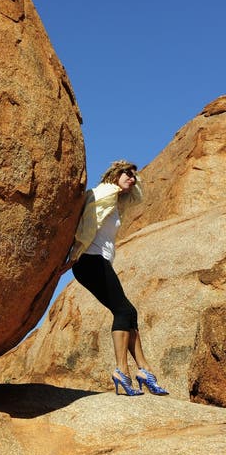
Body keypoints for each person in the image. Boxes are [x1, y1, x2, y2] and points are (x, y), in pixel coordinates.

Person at [61, 160, 168, 397]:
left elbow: (137, 196)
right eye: (127, 173)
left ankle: (144, 369)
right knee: (123, 311)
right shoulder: (104, 193)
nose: (132, 178)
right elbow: (88, 224)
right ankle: (122, 370)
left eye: (134, 175)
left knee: (129, 312)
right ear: (114, 174)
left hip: (97, 262)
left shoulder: (116, 200)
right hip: (90, 260)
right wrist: (74, 255)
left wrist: (131, 178)